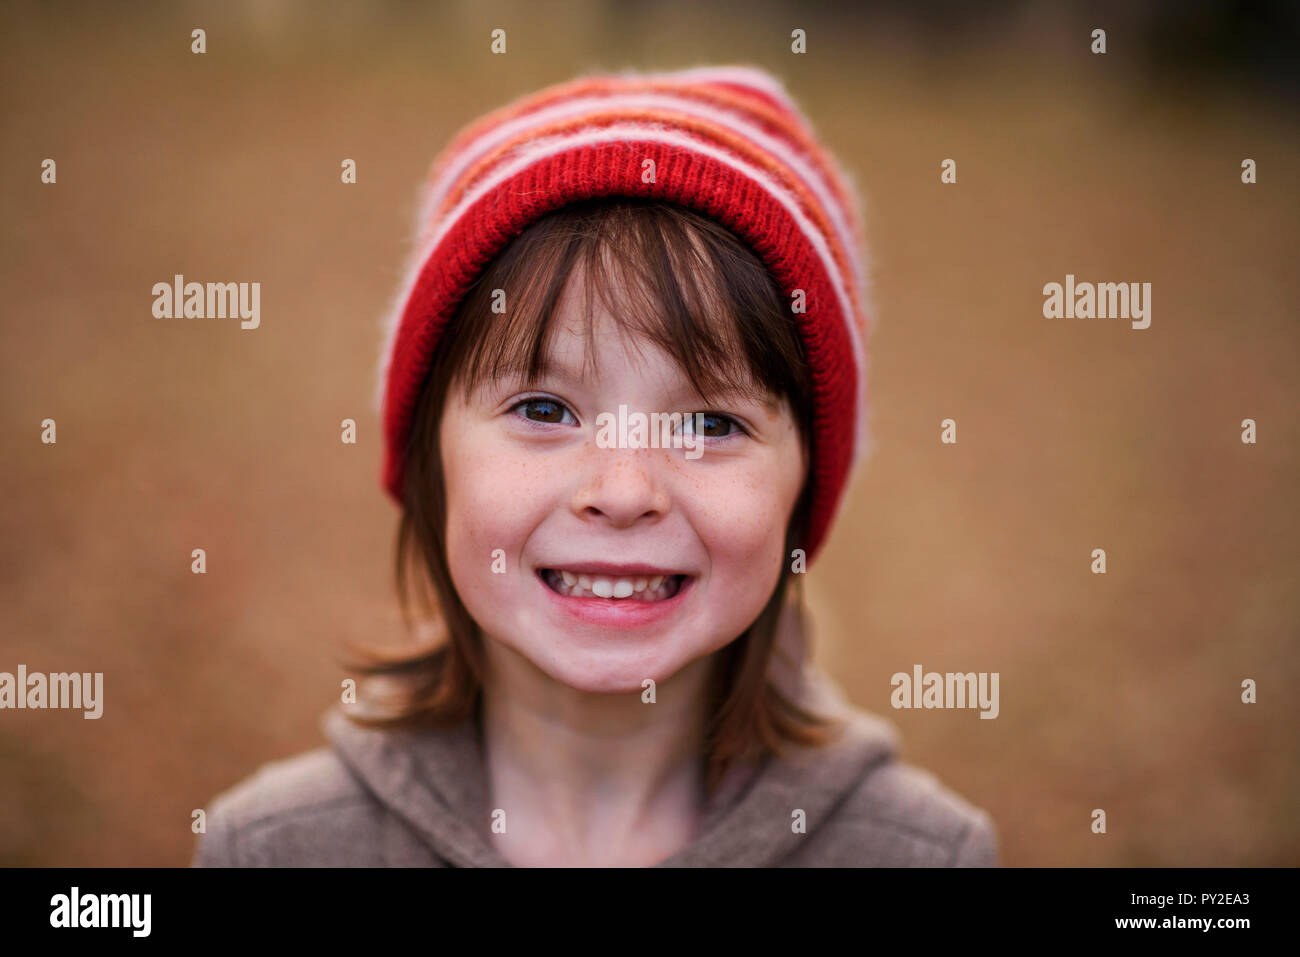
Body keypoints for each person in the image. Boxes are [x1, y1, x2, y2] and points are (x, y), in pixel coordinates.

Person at [192, 65, 997, 867]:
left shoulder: (925, 856)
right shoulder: (271, 850)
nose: (621, 492)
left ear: (802, 492)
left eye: (711, 423)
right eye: (544, 410)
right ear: (431, 465)